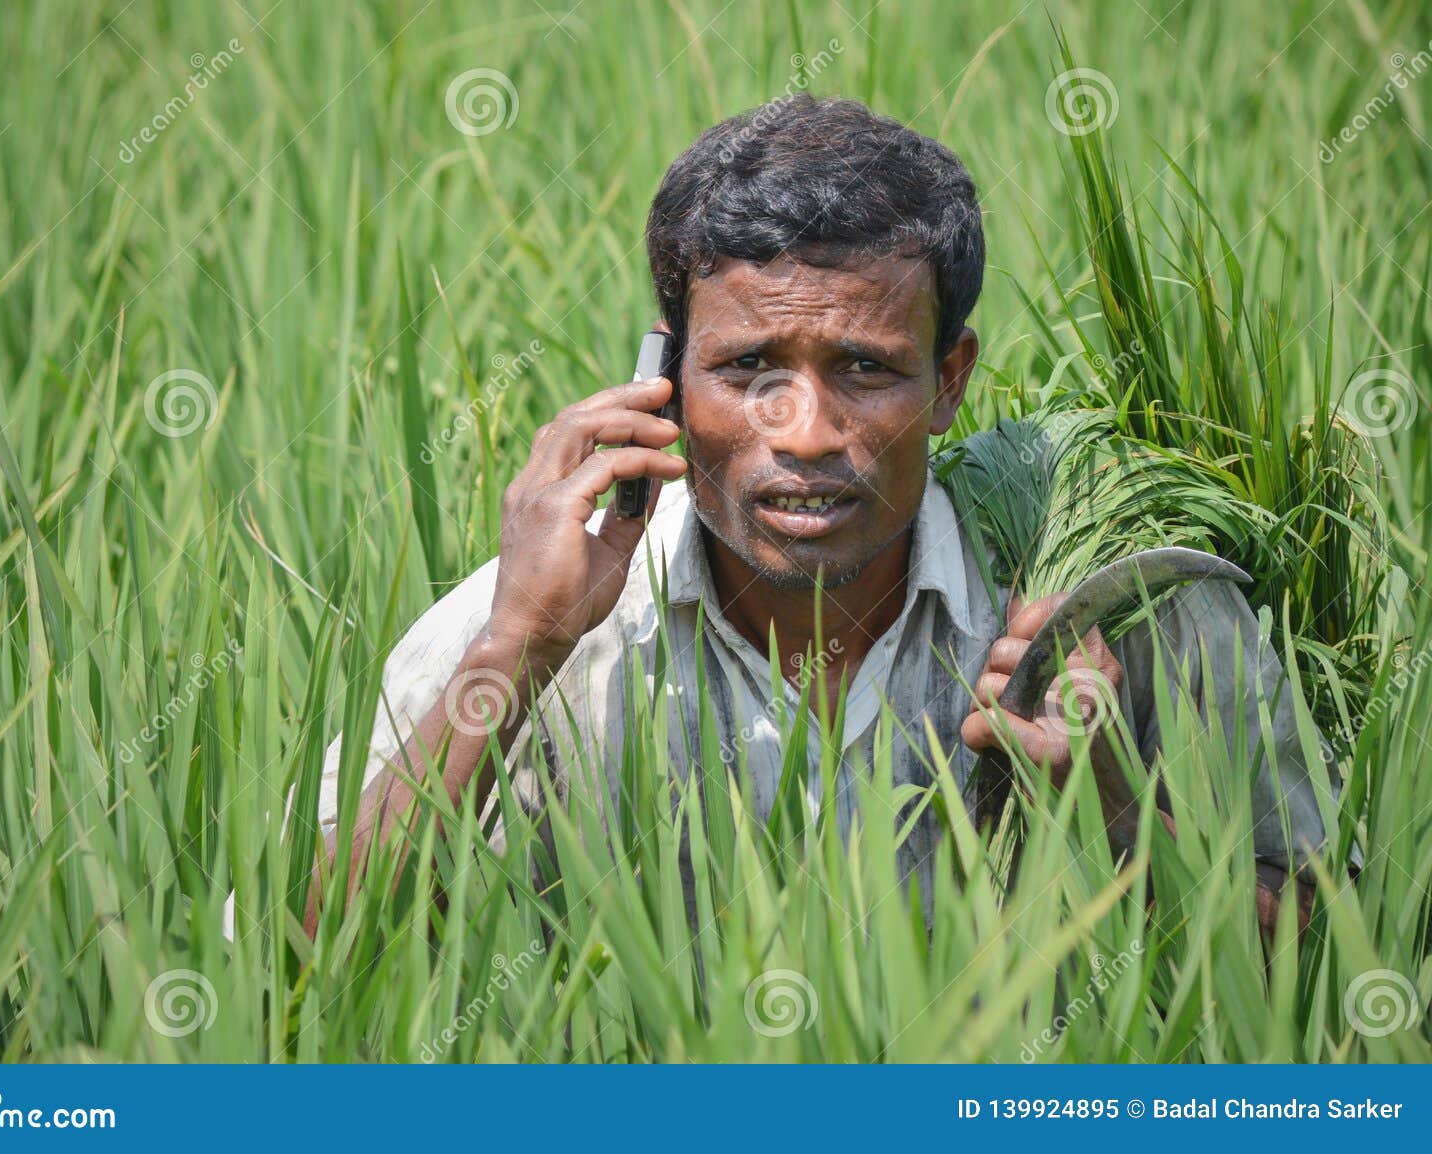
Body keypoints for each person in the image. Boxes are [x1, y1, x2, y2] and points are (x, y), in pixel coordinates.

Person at [299, 94, 1330, 939]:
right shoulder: (535, 621)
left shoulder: (1110, 610)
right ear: (662, 378)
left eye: (867, 368)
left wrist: (1115, 808)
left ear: (948, 380)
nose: (804, 431)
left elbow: (1323, 969)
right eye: (747, 366)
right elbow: (308, 962)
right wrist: (518, 648)